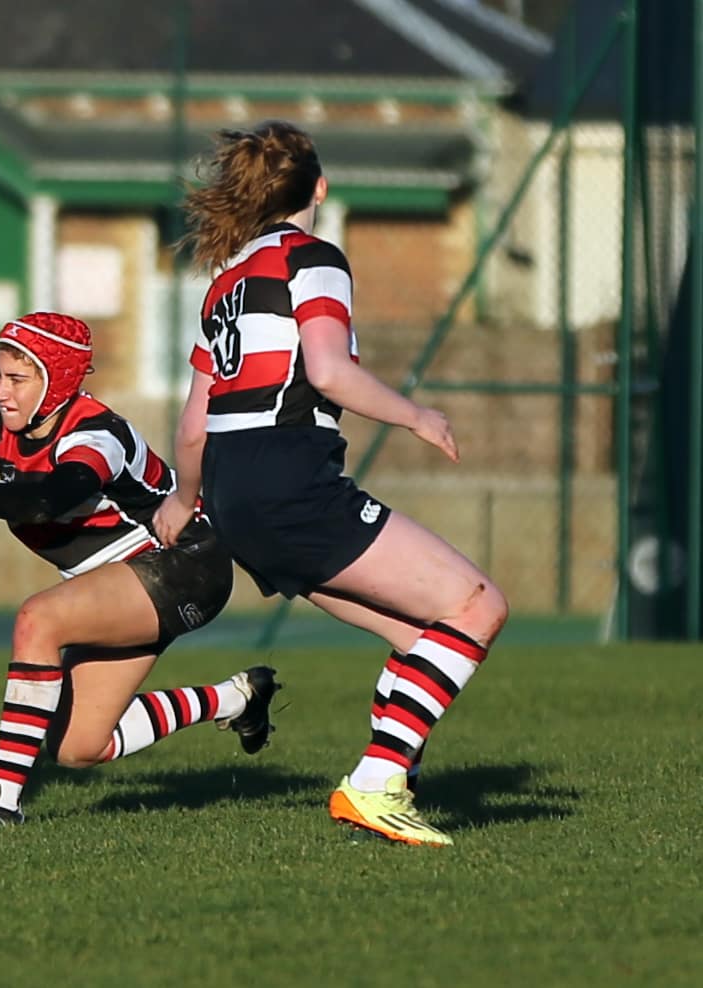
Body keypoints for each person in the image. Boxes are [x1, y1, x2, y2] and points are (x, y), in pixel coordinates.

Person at [155, 121, 508, 847]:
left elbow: (193, 422)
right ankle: (374, 784)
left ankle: (394, 782)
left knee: (423, 637)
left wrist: (184, 500)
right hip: (287, 477)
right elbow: (326, 369)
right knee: (476, 606)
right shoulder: (311, 258)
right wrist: (416, 415)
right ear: (318, 187)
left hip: (229, 490)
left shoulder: (225, 282)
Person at [0, 313, 280, 826]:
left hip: (185, 565)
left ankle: (2, 802)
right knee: (77, 747)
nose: (0, 391)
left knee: (39, 619)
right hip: (123, 579)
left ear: (56, 382)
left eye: (17, 378)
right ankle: (235, 698)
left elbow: (54, 497)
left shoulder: (96, 433)